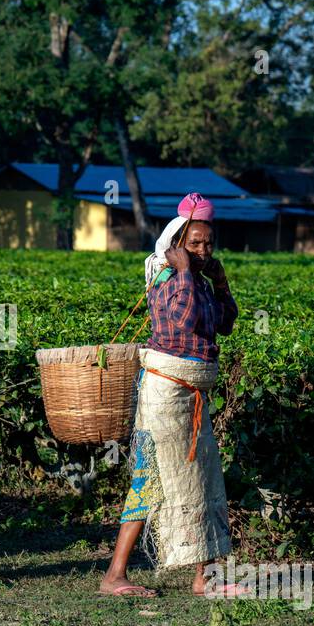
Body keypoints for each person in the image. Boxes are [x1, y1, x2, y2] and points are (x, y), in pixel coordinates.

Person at [99, 193, 244, 598]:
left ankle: (185, 576)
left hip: (187, 396)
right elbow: (184, 319)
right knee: (175, 479)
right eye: (194, 243)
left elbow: (226, 323)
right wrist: (183, 271)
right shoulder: (167, 279)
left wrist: (220, 280)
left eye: (208, 244)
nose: (202, 250)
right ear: (176, 243)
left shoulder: (197, 281)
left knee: (186, 479)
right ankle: (188, 578)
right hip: (167, 397)